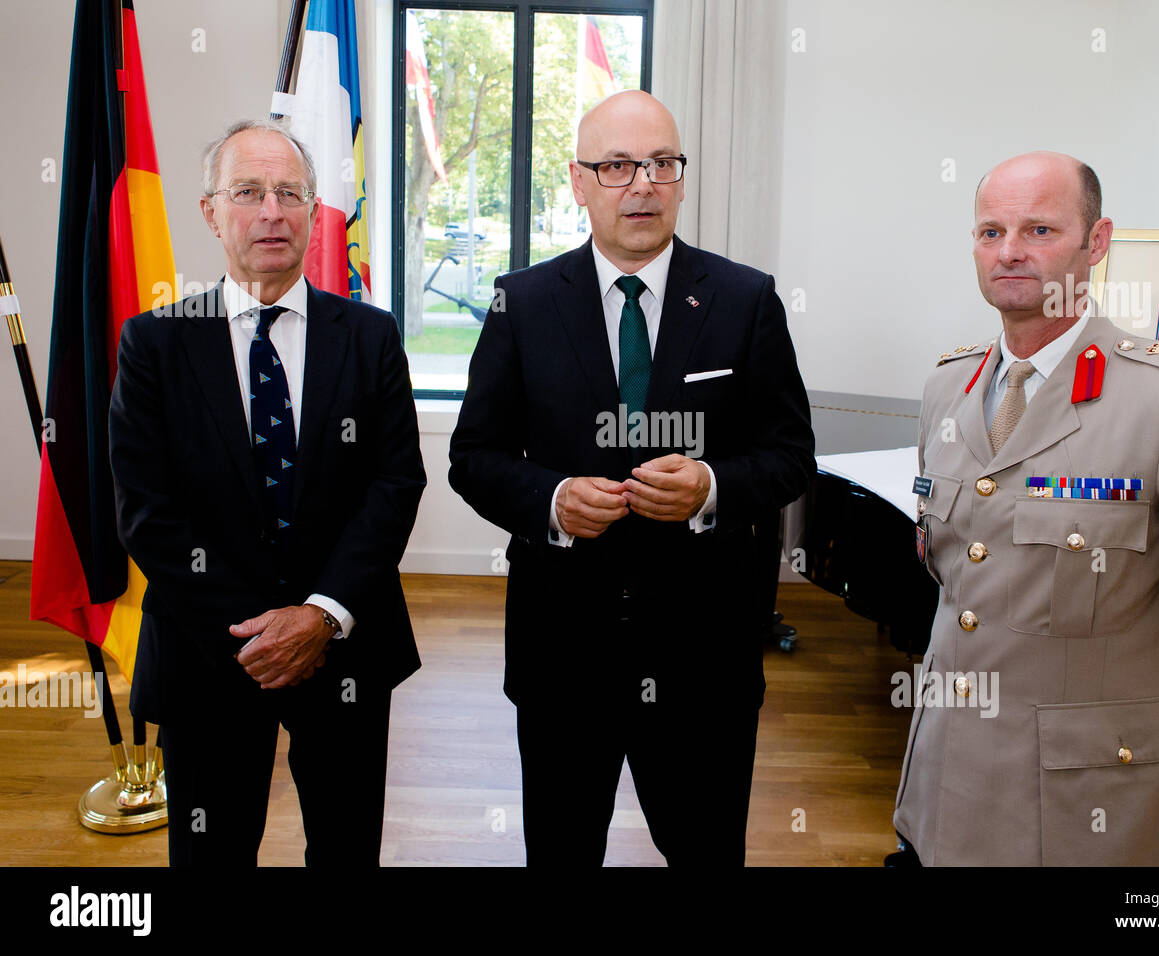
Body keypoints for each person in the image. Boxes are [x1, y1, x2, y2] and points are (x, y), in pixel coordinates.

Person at [893, 150, 1159, 865]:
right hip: (949, 786)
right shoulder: (947, 389)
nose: (1010, 252)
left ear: (1098, 242)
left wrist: (1148, 694)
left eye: (1040, 230)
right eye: (990, 232)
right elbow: (959, 578)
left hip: (1101, 804)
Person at [448, 90, 814, 866]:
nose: (641, 183)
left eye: (660, 164)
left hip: (703, 655)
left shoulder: (746, 300)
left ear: (681, 179)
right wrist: (550, 501)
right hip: (562, 654)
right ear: (579, 183)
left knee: (707, 850)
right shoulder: (523, 302)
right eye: (617, 166)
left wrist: (711, 487)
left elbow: (791, 456)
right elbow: (472, 458)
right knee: (561, 851)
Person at [108, 119, 426, 866]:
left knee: (347, 851)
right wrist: (258, 635)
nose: (271, 212)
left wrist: (319, 616)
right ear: (210, 211)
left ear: (316, 213)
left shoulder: (371, 337)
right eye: (247, 192)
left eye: (290, 193)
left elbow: (395, 483)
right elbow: (147, 513)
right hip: (209, 653)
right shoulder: (153, 344)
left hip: (343, 646)